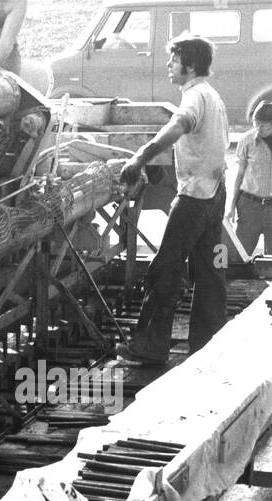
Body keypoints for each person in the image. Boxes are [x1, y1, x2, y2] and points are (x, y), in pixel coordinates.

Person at [116, 35, 229, 365]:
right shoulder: (213, 95)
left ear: (190, 65)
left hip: (194, 197)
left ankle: (150, 346)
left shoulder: (194, 96)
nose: (168, 65)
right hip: (214, 193)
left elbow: (178, 125)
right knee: (210, 272)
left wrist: (140, 156)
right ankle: (208, 345)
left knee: (165, 269)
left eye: (174, 59)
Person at [227, 100, 272, 258]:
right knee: (237, 257)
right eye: (256, 124)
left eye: (263, 126)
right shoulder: (246, 140)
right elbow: (239, 175)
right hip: (249, 205)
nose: (258, 130)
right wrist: (231, 206)